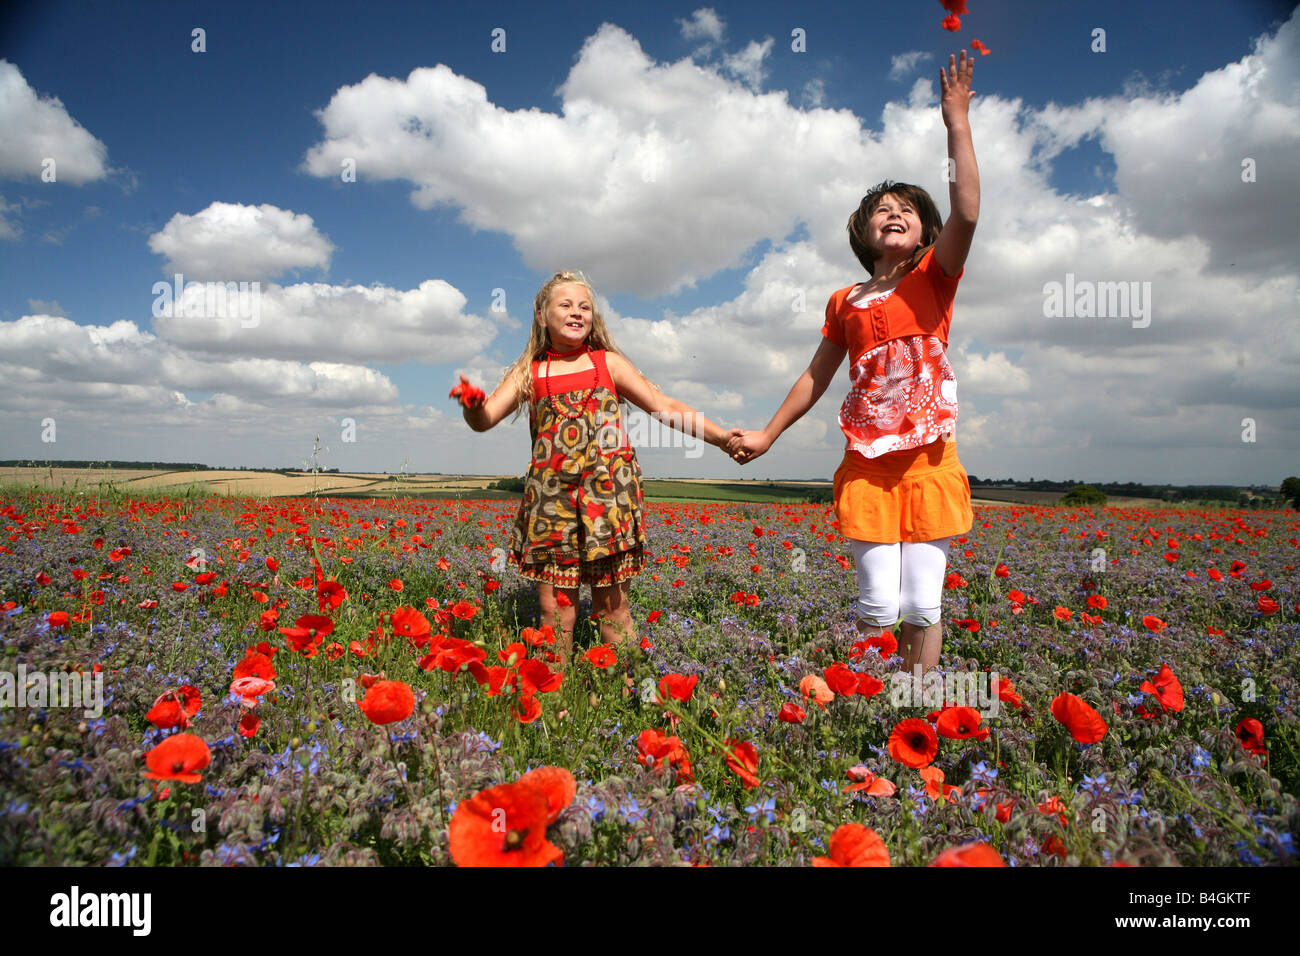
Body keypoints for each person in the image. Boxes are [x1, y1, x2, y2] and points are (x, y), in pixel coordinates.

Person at [727, 52, 979, 676]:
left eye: (908, 211)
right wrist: (766, 433)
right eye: (881, 210)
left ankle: (914, 703)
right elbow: (816, 376)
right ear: (863, 233)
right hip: (868, 468)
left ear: (924, 235)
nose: (894, 214)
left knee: (922, 605)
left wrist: (956, 123)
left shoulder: (934, 278)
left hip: (927, 464)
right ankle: (868, 707)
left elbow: (968, 210)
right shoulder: (845, 302)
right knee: (876, 606)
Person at [456, 270, 737, 666]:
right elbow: (484, 420)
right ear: (541, 315)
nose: (577, 313)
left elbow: (667, 407)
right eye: (565, 305)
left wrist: (722, 438)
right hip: (550, 507)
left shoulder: (609, 364)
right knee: (556, 613)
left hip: (608, 504)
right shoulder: (530, 373)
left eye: (585, 307)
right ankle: (552, 700)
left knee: (613, 611)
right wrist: (471, 405)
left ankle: (622, 695)